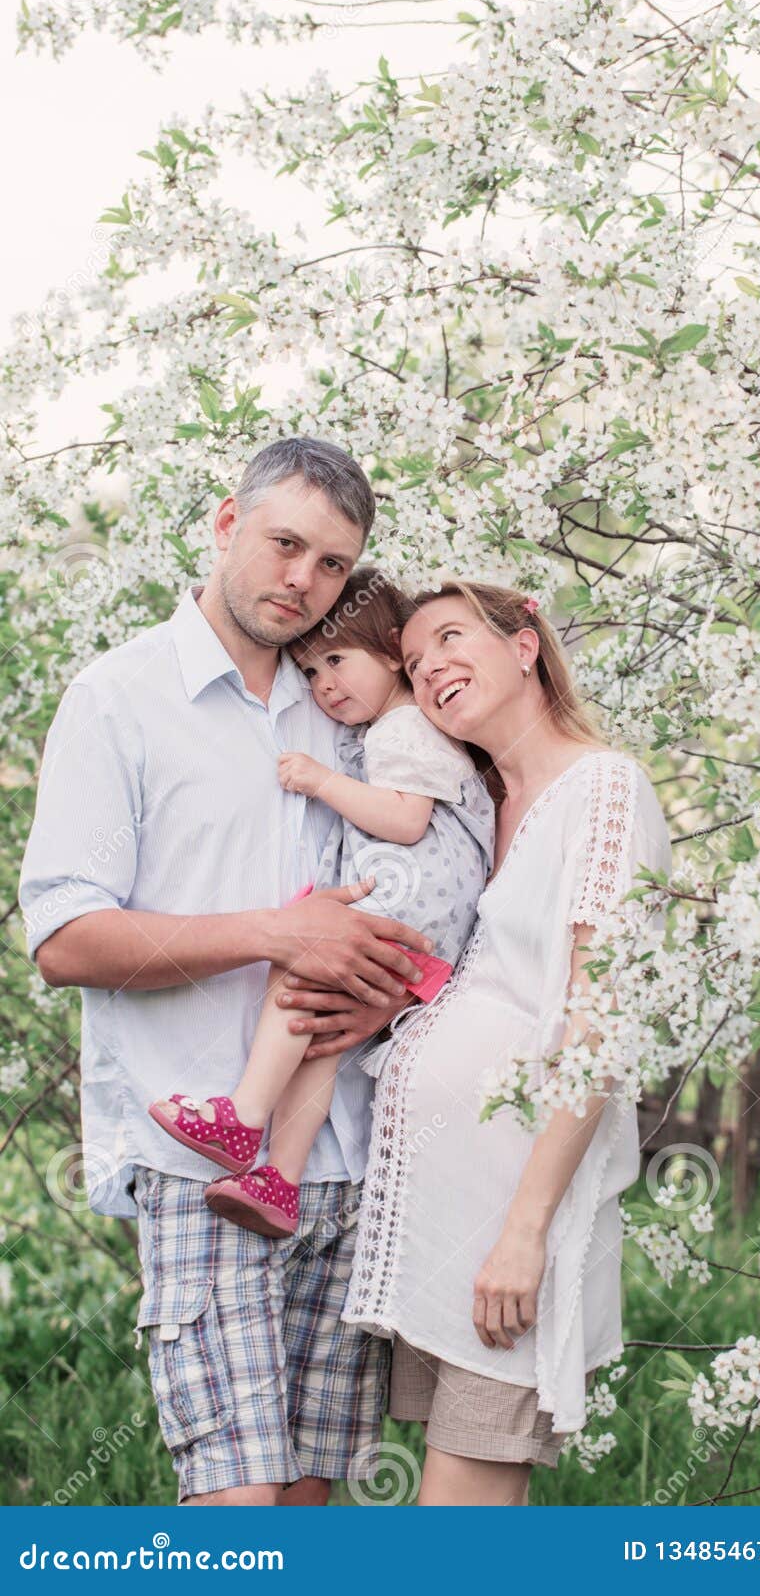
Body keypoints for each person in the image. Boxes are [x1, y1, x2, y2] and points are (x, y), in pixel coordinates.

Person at [18, 437, 420, 1506]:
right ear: (225, 523)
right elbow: (65, 939)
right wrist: (273, 935)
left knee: (309, 1511)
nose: (303, 579)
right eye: (286, 544)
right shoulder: (119, 699)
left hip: (344, 1158)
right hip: (199, 1159)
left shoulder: (344, 710)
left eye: (333, 564)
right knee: (235, 1515)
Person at [316, 579, 673, 1507]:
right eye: (416, 652)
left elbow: (606, 1025)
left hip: (503, 1237)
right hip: (440, 1225)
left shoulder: (602, 791)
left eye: (450, 636)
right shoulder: (478, 805)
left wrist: (524, 1234)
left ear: (524, 646)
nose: (429, 662)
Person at [147, 566, 494, 1238]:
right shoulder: (392, 727)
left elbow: (404, 820)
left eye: (337, 661)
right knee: (318, 1035)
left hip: (408, 904)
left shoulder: (401, 729)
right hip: (423, 925)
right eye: (309, 673)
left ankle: (242, 1121)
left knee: (299, 961)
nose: (324, 685)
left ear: (393, 653)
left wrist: (319, 781)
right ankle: (281, 1178)